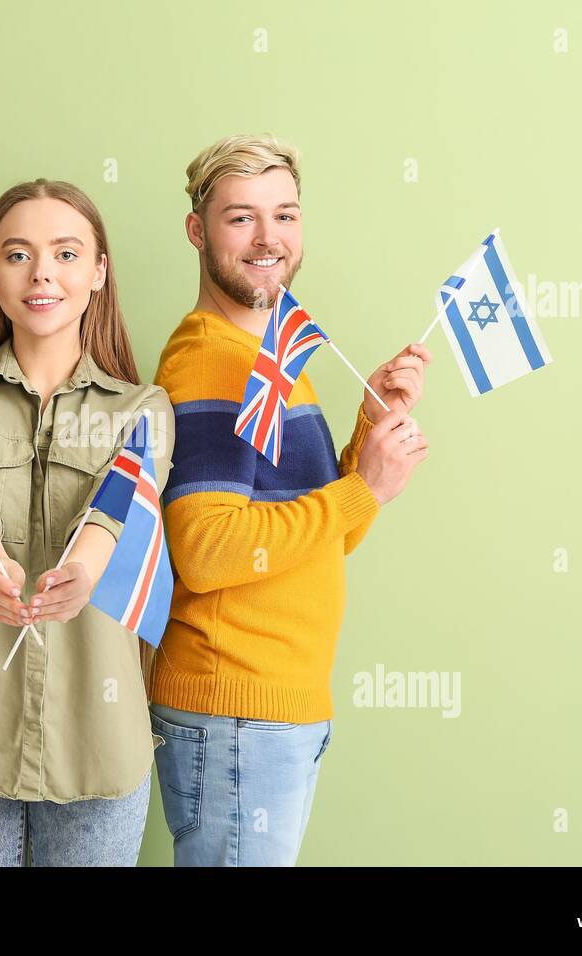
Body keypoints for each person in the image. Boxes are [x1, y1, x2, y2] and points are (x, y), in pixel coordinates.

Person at [149, 134, 431, 866]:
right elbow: (206, 550)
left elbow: (321, 536)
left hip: (272, 709)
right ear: (197, 231)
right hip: (237, 708)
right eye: (241, 218)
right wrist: (363, 488)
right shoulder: (214, 357)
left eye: (285, 215)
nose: (268, 238)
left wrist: (370, 427)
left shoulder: (270, 352)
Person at [0, 179, 174, 866]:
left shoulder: (143, 408)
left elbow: (116, 507)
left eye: (65, 253)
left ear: (98, 273)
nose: (42, 273)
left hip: (99, 747)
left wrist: (81, 570)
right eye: (19, 255)